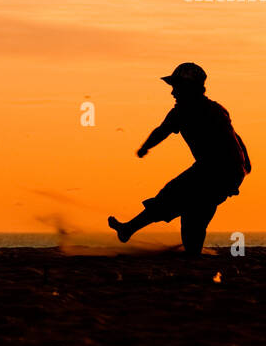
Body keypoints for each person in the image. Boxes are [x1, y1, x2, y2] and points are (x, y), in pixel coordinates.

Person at [107, 63, 251, 255]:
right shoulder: (216, 109)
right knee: (195, 212)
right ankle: (191, 253)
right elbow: (236, 137)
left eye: (176, 87)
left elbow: (161, 131)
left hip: (215, 170)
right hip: (229, 171)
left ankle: (129, 229)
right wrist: (245, 165)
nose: (173, 93)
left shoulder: (185, 111)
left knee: (173, 195)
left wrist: (144, 148)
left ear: (188, 88)